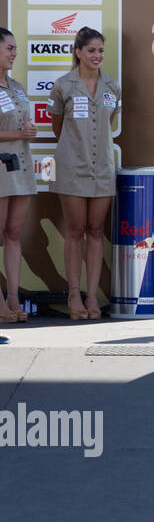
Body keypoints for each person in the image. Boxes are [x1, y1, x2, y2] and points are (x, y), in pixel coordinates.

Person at [48, 27, 121, 320]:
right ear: (78, 52)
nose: (97, 56)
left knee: (96, 230)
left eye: (101, 50)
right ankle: (74, 295)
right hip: (71, 168)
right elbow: (57, 127)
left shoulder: (112, 87)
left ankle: (93, 296)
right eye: (91, 50)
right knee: (74, 231)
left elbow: (109, 122)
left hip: (102, 167)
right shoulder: (63, 86)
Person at [0, 27, 37, 323]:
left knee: (13, 232)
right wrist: (18, 132)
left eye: (16, 48)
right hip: (0, 166)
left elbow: (25, 124)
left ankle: (13, 297)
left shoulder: (18, 86)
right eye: (9, 48)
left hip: (21, 166)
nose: (15, 53)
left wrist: (30, 131)